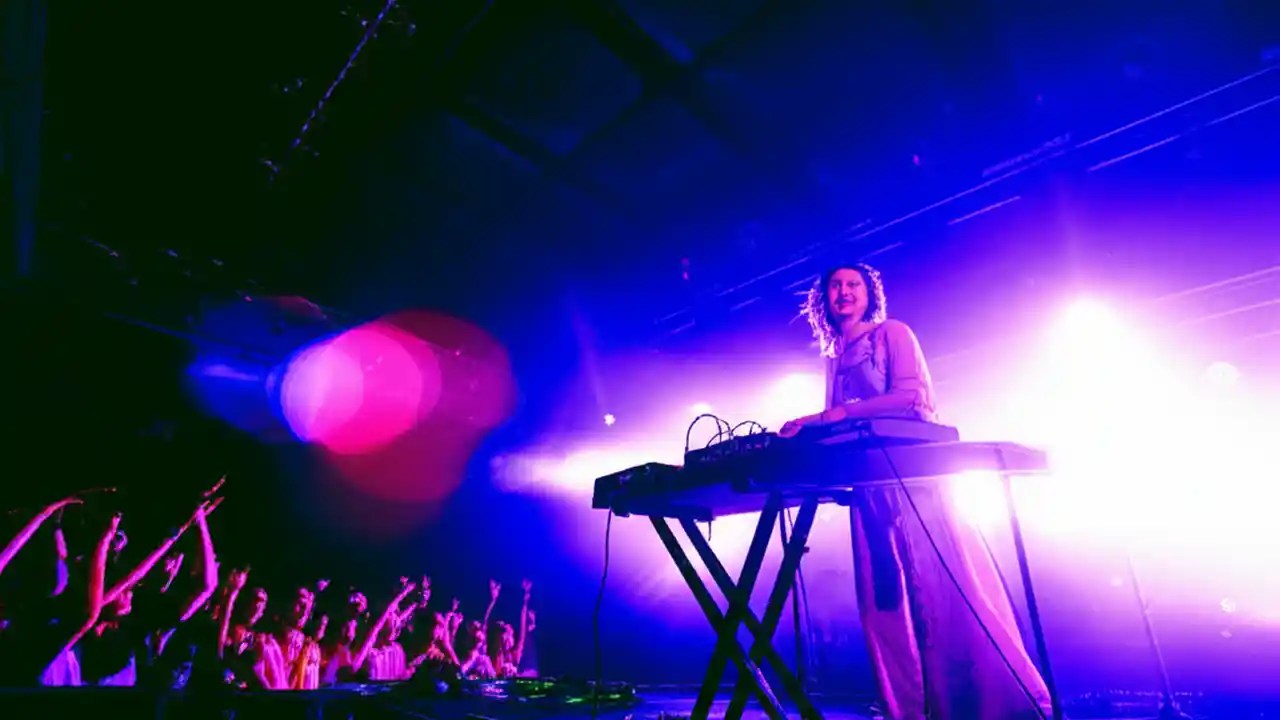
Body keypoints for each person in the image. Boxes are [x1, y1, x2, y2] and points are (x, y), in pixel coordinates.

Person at [780, 263, 1052, 720]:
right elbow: (846, 425)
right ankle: (911, 705)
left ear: (870, 295)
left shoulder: (892, 334)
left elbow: (910, 397)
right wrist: (808, 428)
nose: (844, 293)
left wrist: (830, 417)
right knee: (885, 596)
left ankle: (982, 699)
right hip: (871, 484)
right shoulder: (833, 356)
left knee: (939, 585)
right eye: (835, 286)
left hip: (912, 478)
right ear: (823, 299)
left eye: (853, 286)